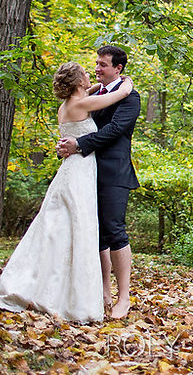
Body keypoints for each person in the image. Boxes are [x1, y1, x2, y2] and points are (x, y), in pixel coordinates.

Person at [0, 61, 133, 323]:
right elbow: (119, 95)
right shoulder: (81, 104)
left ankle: (59, 285)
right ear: (78, 82)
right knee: (78, 227)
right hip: (79, 171)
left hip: (72, 168)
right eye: (85, 73)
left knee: (60, 228)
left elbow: (92, 90)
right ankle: (71, 294)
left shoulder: (70, 102)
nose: (90, 74)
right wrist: (127, 84)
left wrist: (95, 85)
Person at [57, 45, 141, 319]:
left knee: (115, 230)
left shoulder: (130, 98)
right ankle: (103, 291)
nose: (97, 68)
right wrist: (70, 145)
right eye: (96, 63)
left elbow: (115, 131)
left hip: (113, 173)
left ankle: (123, 297)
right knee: (96, 234)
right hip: (86, 172)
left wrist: (78, 144)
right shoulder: (91, 94)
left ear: (118, 69)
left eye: (103, 64)